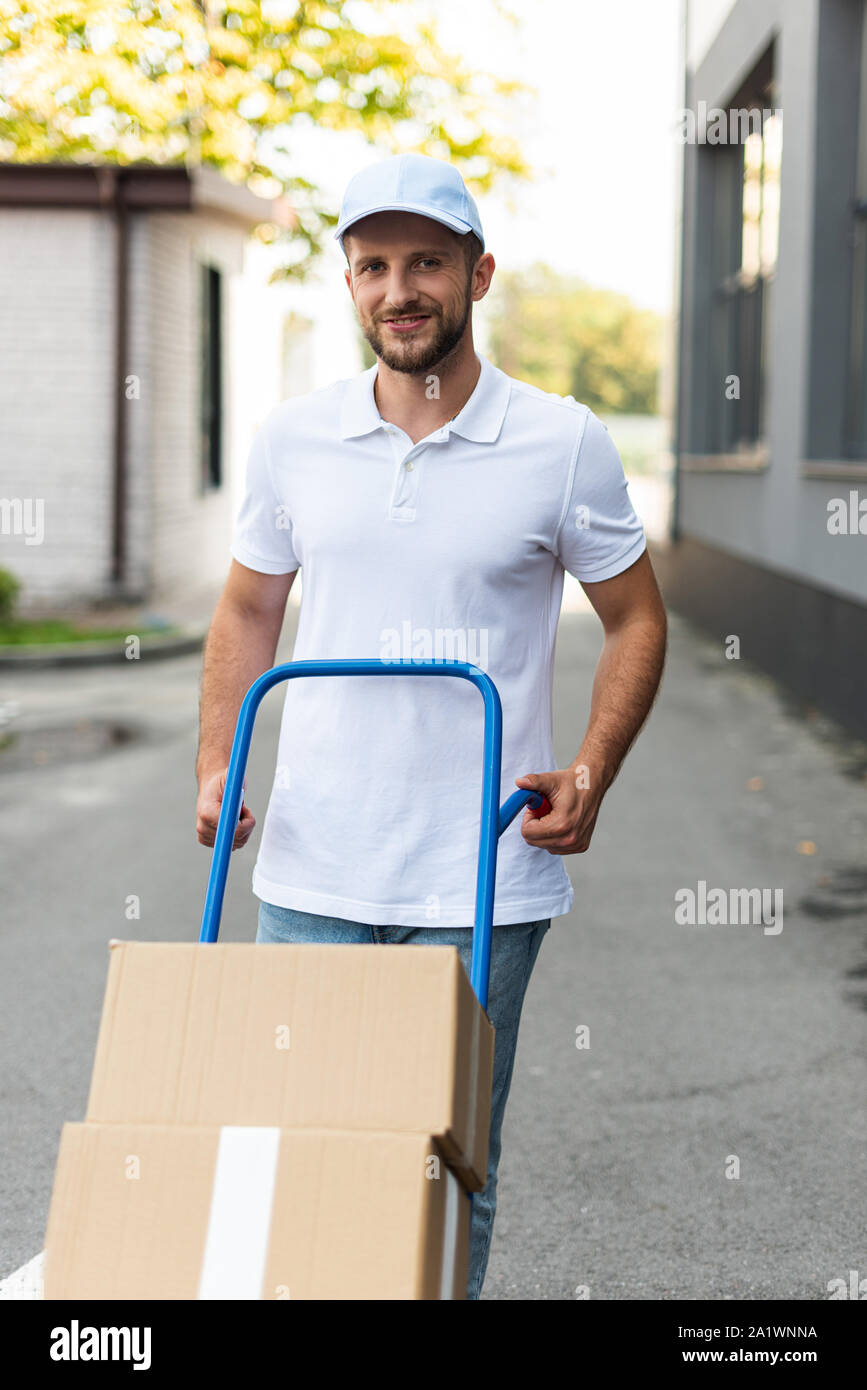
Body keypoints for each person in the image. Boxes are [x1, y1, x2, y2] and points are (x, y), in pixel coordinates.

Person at [196, 152, 667, 1300]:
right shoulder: (294, 440)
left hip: (481, 883)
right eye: (372, 266)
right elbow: (251, 606)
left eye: (425, 264)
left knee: (444, 1170)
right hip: (311, 871)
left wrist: (592, 767)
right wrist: (218, 761)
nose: (398, 289)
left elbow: (636, 617)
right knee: (298, 1159)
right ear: (349, 285)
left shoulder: (562, 442)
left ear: (478, 274)